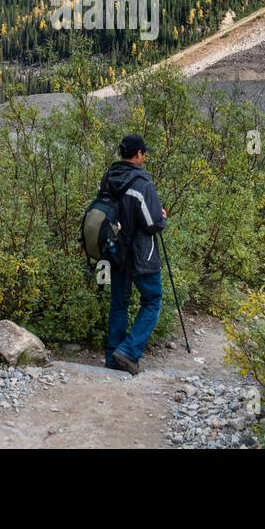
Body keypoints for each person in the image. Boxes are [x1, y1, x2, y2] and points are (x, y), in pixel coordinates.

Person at [98, 134, 167, 375]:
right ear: (138, 154)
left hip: (115, 250)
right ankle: (127, 352)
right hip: (140, 255)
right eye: (144, 153)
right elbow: (151, 224)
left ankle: (112, 357)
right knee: (152, 300)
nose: (144, 157)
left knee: (119, 303)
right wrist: (162, 217)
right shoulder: (141, 183)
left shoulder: (108, 178)